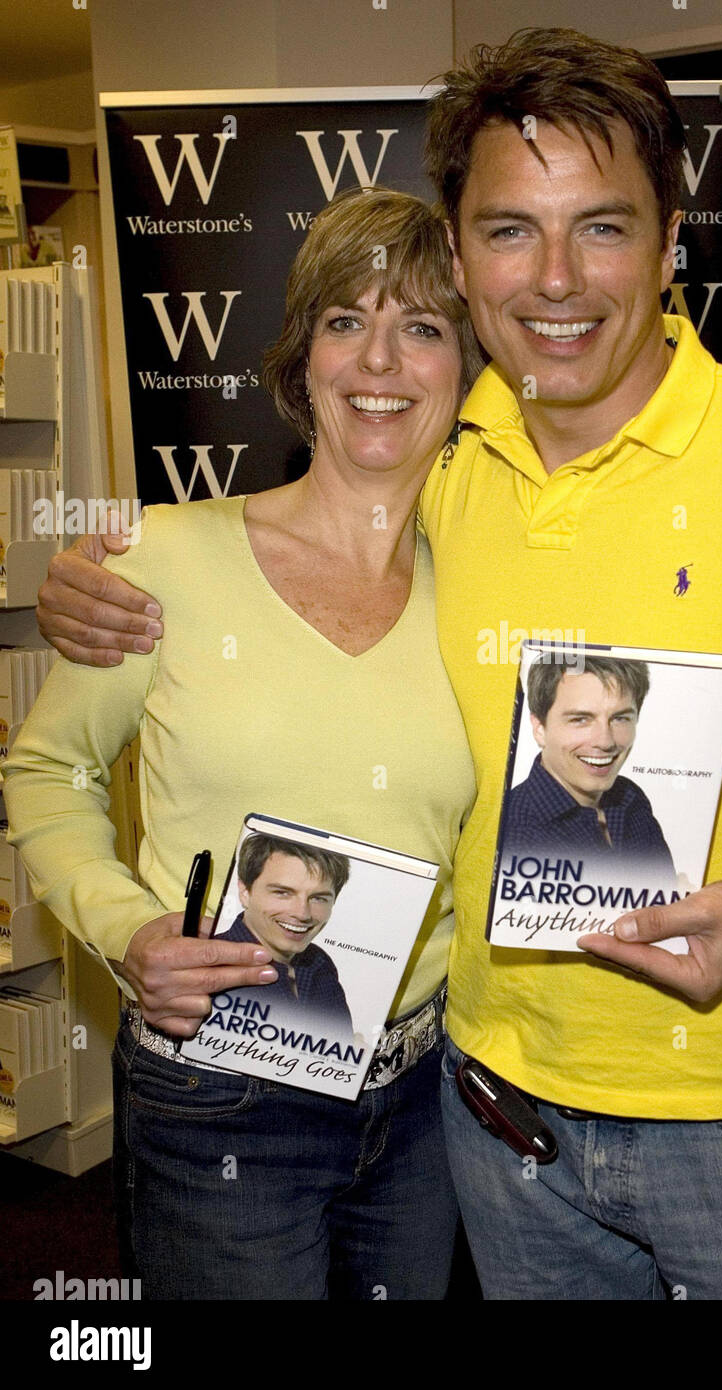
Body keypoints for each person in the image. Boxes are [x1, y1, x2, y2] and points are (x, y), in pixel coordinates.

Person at [34, 28, 722, 1301]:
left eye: (602, 227)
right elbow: (276, 563)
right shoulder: (442, 460)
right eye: (511, 230)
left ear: (669, 239)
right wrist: (92, 579)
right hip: (491, 1113)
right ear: (461, 257)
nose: (557, 278)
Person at [4, 187, 479, 1300]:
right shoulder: (163, 556)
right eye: (346, 321)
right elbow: (49, 770)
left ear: (468, 372)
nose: (380, 360)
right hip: (219, 1087)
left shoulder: (486, 590)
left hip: (424, 1101)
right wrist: (125, 930)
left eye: (421, 327)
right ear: (302, 360)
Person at [502, 655, 675, 876]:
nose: (605, 741)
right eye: (580, 719)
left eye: (620, 718)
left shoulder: (631, 799)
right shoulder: (515, 833)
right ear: (539, 729)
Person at [215, 834, 354, 1037]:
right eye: (282, 893)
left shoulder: (321, 965)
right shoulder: (211, 965)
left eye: (318, 898)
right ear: (244, 892)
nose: (302, 914)